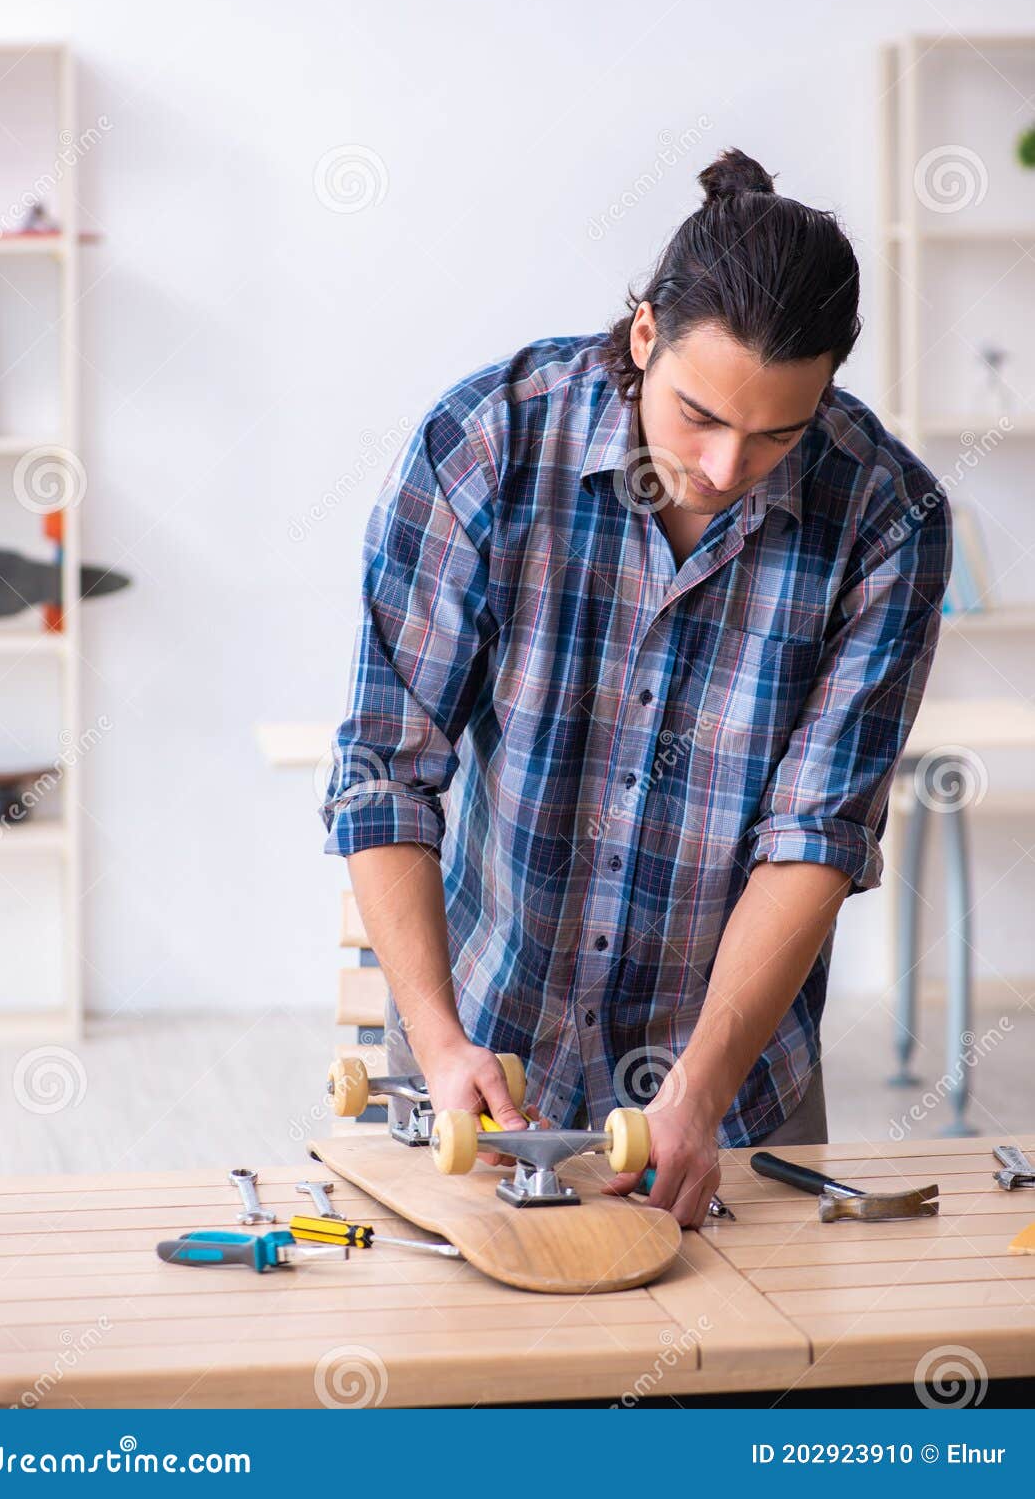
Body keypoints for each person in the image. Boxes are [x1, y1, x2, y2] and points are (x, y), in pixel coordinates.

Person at [320, 147, 952, 1227]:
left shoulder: (889, 521)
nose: (722, 466)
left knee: (758, 1383)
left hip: (736, 1094)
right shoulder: (487, 443)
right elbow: (388, 770)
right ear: (644, 332)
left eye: (777, 435)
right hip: (487, 1054)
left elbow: (816, 836)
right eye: (699, 415)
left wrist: (696, 1091)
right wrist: (437, 1038)